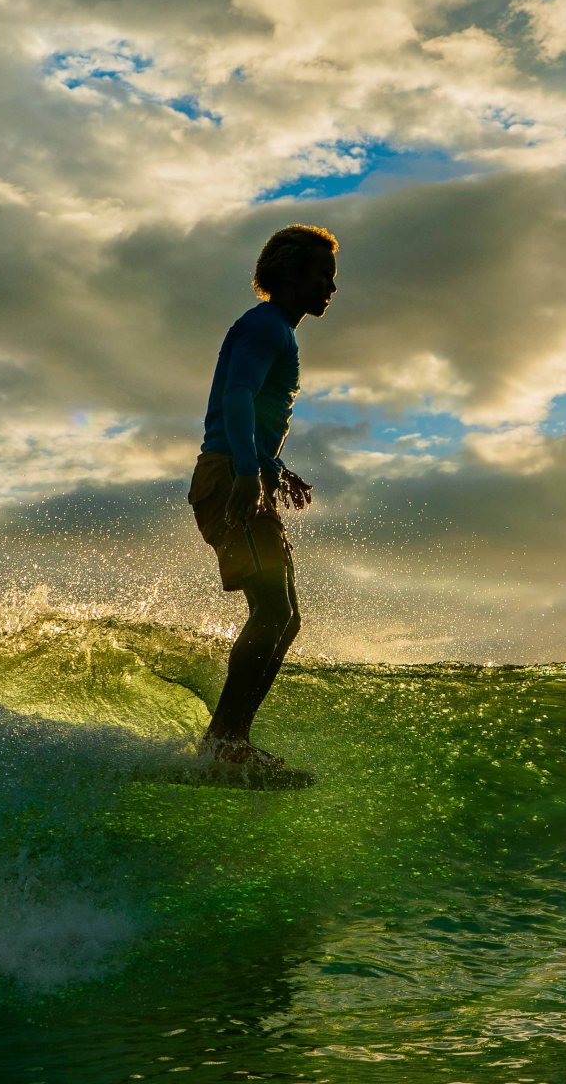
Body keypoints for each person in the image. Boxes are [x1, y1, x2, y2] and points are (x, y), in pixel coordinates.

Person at [187, 224, 338, 771]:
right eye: (323, 274)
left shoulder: (276, 330)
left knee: (285, 615)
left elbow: (247, 410)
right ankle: (225, 743)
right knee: (274, 609)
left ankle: (230, 741)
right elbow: (236, 396)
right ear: (291, 273)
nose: (331, 286)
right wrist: (251, 471)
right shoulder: (267, 327)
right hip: (230, 476)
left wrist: (274, 466)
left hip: (240, 470)